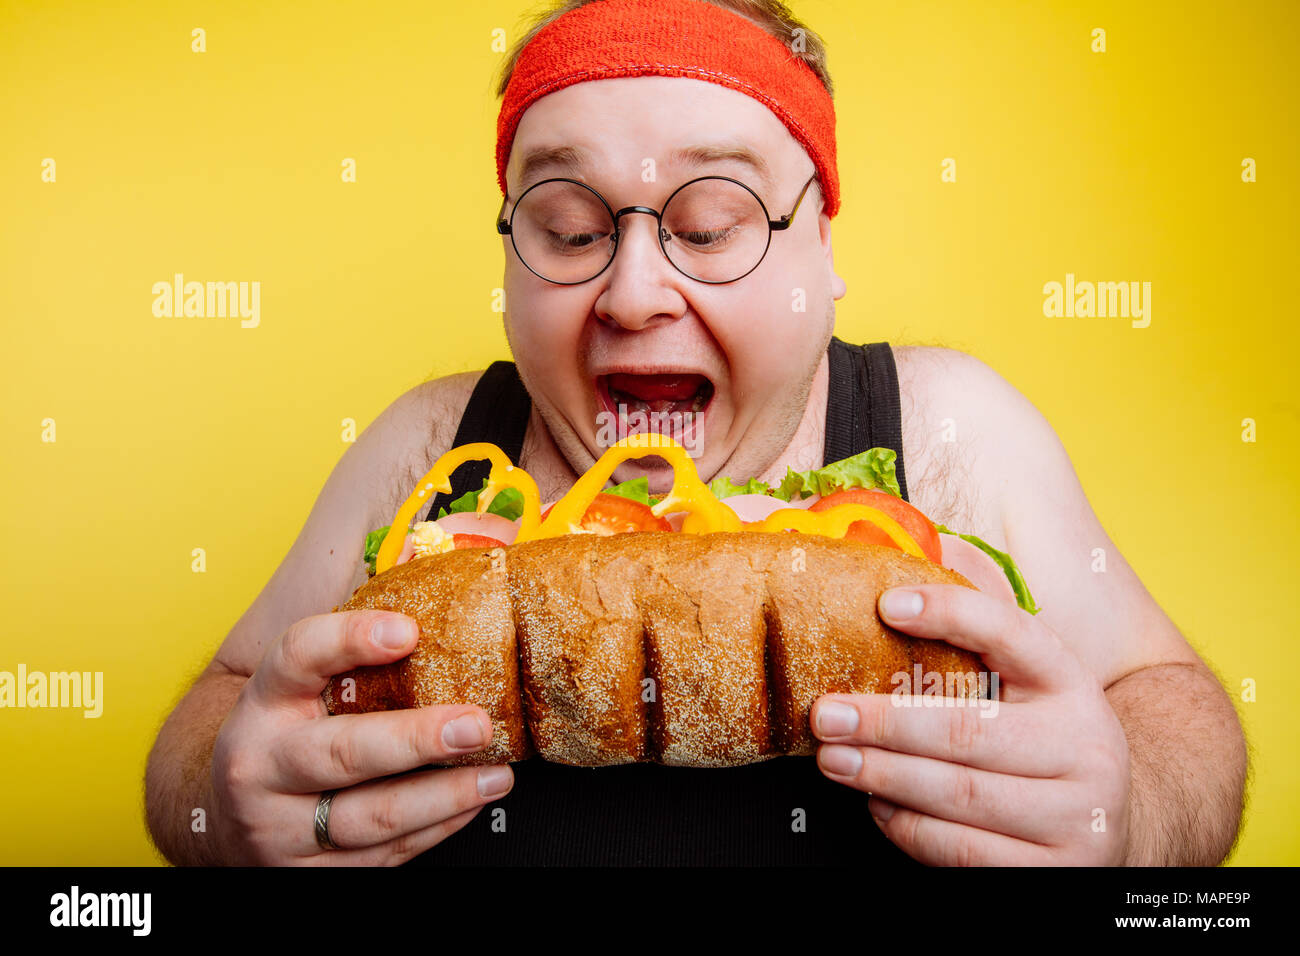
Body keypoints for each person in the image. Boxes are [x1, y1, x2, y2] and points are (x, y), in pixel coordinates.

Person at [144, 0, 1246, 866]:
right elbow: (211, 718)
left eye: (710, 224)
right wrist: (219, 810)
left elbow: (1170, 700)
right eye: (567, 227)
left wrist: (1132, 816)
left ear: (822, 245)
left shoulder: (950, 430)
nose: (632, 293)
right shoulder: (428, 444)